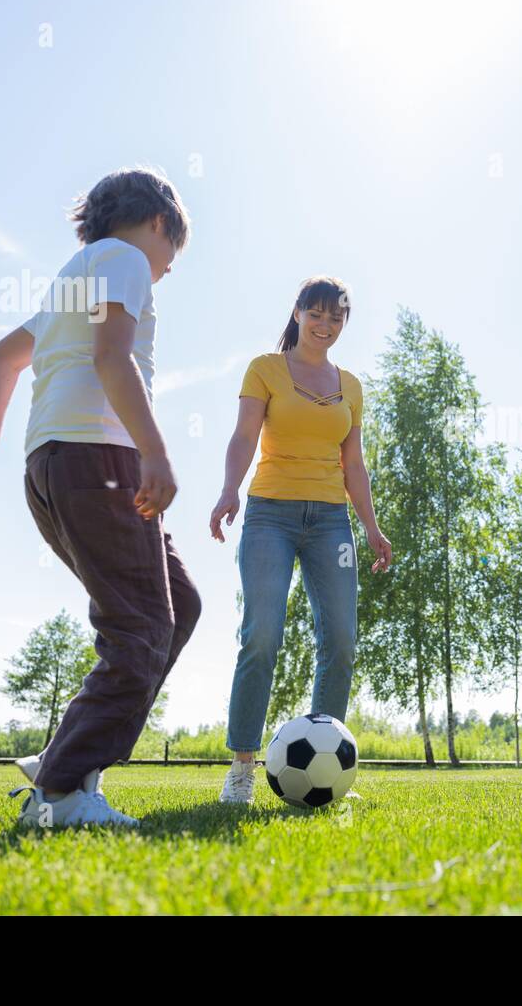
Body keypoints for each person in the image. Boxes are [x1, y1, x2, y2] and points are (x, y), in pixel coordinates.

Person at [0, 166, 200, 828]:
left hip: (50, 465)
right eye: (174, 255)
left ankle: (68, 755)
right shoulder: (128, 258)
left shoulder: (72, 276)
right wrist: (156, 451)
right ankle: (59, 791)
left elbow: (1, 357)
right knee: (141, 628)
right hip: (98, 457)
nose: (167, 270)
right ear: (160, 224)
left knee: (178, 604)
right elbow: (115, 358)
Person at [210, 277, 391, 805]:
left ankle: (329, 770)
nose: (325, 325)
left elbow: (352, 463)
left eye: (337, 318)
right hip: (270, 515)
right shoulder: (265, 368)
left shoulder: (351, 385)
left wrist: (372, 528)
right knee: (262, 633)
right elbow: (245, 435)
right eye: (317, 314)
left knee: (340, 639)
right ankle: (243, 764)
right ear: (297, 313)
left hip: (332, 521)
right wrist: (229, 491)